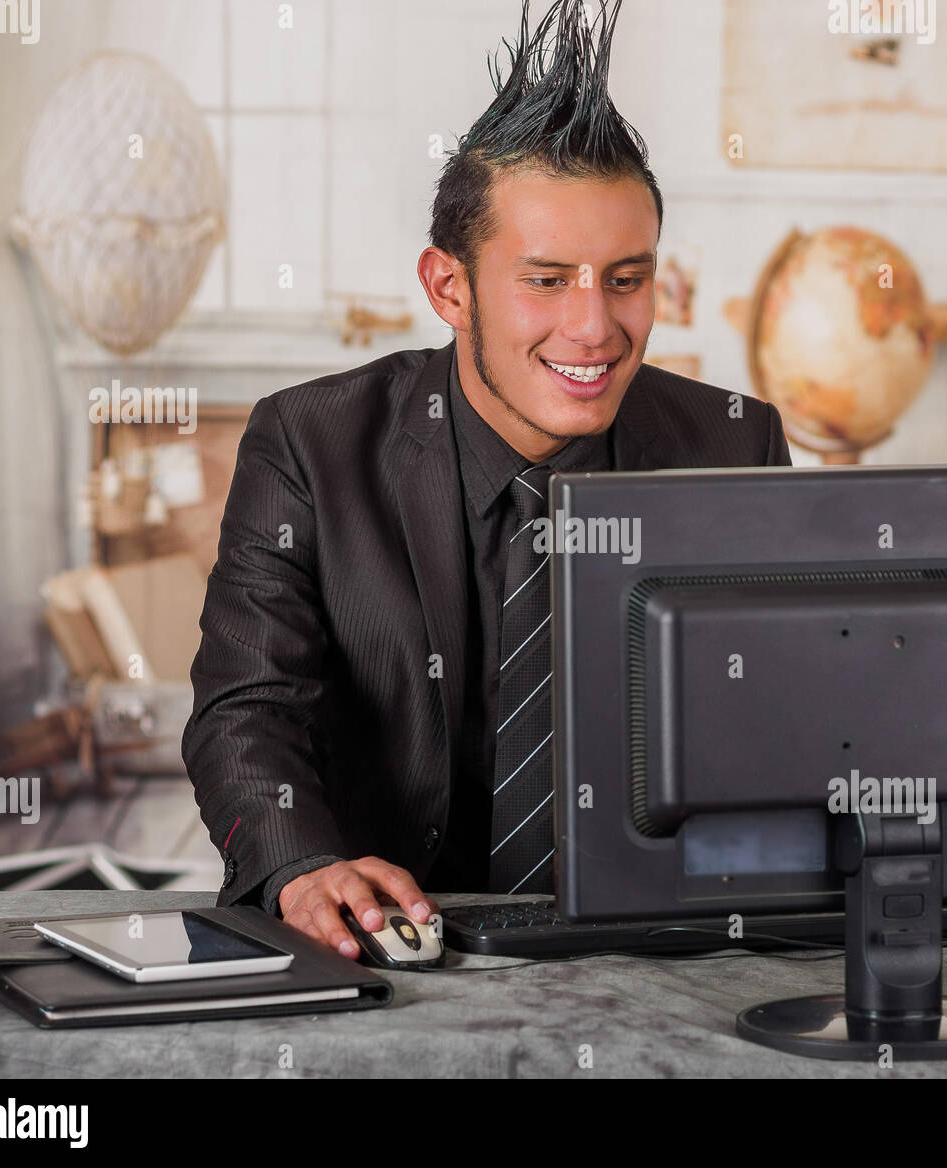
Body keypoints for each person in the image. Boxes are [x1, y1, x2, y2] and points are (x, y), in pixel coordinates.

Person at [183, 0, 792, 960]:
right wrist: (301, 865)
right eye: (547, 281)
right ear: (449, 287)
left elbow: (775, 719)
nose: (595, 328)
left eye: (626, 280)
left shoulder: (732, 444)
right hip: (381, 944)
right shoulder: (309, 442)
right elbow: (246, 708)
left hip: (649, 946)